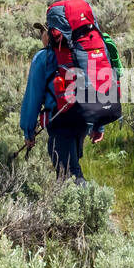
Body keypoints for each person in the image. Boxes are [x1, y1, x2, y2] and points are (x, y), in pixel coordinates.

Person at [20, 21, 103, 181]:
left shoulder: (43, 58)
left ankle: (85, 203)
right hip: (83, 119)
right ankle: (81, 202)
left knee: (69, 174)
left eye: (42, 32)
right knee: (71, 165)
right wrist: (99, 125)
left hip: (60, 120)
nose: (41, 37)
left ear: (51, 34)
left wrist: (28, 130)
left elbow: (33, 97)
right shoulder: (82, 54)